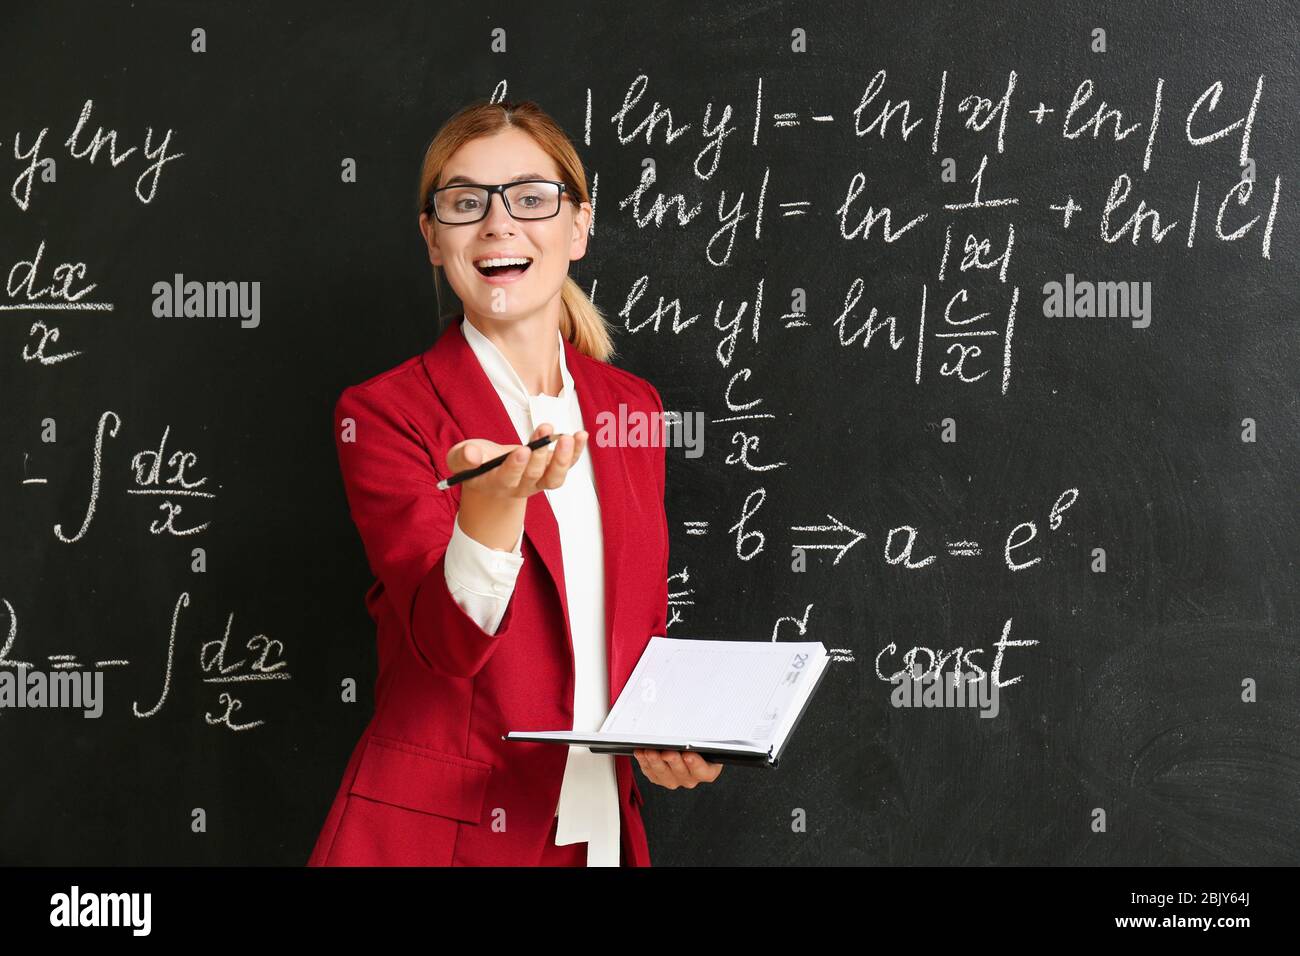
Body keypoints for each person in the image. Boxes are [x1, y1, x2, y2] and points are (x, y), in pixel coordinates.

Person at [308, 99, 722, 868]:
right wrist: (489, 508)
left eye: (531, 198)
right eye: (466, 203)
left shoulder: (633, 409)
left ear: (579, 226)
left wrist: (665, 732)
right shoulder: (382, 413)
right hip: (443, 838)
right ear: (434, 240)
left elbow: (626, 625)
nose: (499, 225)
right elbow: (444, 645)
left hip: (600, 828)